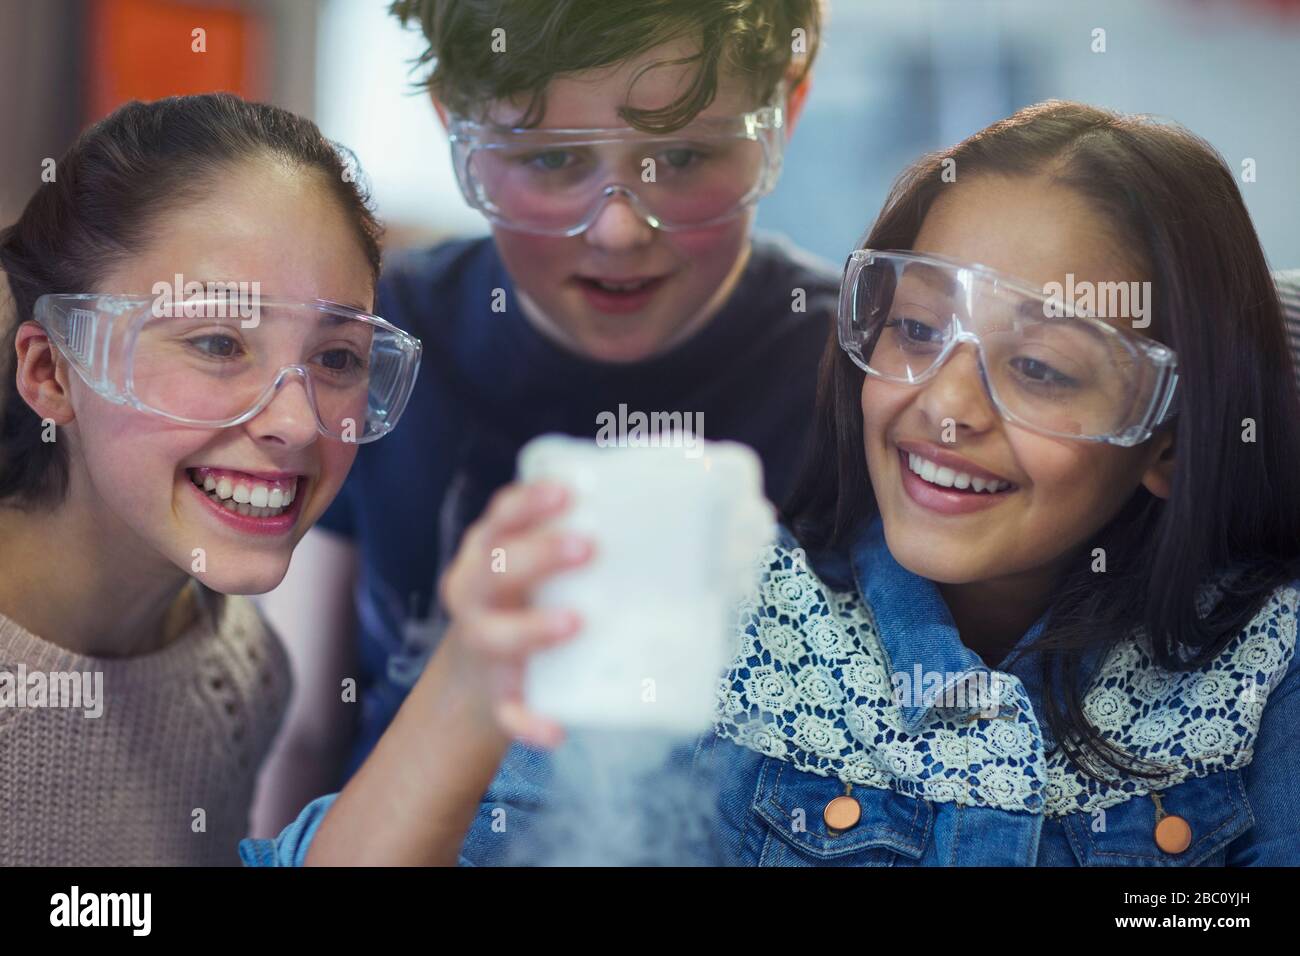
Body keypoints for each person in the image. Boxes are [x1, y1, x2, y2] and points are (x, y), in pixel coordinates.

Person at [244, 100, 1299, 866]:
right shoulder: (721, 620)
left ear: (1168, 435)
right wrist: (475, 677)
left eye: (1039, 367)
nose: (945, 405)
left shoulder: (1266, 673)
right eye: (918, 327)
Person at [253, 0, 837, 834]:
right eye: (553, 158)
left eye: (681, 156)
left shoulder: (857, 380)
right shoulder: (369, 347)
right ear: (455, 129)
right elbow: (300, 729)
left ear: (788, 112)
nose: (620, 228)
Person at [0, 92, 420, 865]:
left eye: (336, 358)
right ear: (52, 371)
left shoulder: (240, 675)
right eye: (219, 343)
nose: (295, 422)